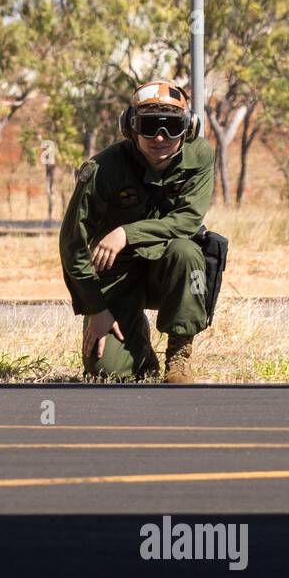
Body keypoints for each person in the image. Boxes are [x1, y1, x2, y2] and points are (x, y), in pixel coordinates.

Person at [58, 79, 216, 383]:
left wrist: (127, 233)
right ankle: (138, 344)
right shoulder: (104, 168)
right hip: (116, 275)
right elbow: (73, 244)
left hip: (167, 269)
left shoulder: (200, 156)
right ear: (130, 126)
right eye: (149, 126)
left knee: (187, 251)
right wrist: (96, 309)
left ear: (189, 127)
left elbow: (187, 219)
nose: (160, 137)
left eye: (172, 126)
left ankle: (178, 358)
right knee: (109, 372)